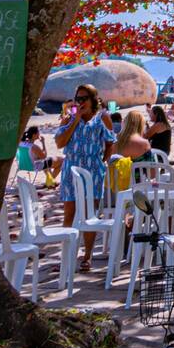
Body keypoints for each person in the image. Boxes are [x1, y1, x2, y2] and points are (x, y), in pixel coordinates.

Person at [55, 84, 115, 272]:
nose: (80, 102)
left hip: (93, 172)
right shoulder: (68, 119)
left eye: (84, 99)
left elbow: (110, 143)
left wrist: (101, 162)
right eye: (78, 99)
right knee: (69, 214)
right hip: (70, 171)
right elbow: (59, 142)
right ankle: (66, 256)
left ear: (92, 100)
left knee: (90, 215)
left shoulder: (102, 118)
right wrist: (75, 119)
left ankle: (87, 256)